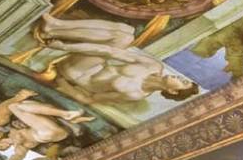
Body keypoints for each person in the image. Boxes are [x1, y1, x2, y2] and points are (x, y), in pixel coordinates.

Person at [39, 15, 198, 105]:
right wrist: (65, 47)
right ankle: (57, 26)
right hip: (88, 62)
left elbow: (90, 99)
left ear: (172, 91)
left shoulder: (135, 94)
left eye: (182, 82)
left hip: (75, 73)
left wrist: (61, 82)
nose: (180, 77)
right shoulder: (153, 66)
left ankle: (54, 30)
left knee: (121, 39)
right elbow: (112, 52)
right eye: (184, 78)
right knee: (126, 34)